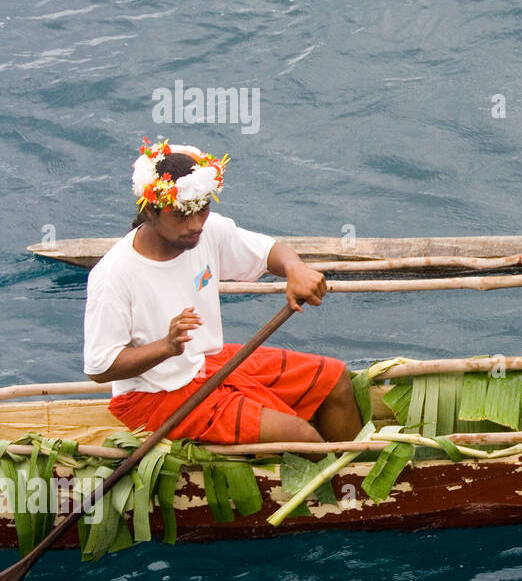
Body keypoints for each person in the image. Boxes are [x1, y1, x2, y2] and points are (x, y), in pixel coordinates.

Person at [83, 137, 362, 444]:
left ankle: (357, 483)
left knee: (336, 380)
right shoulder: (113, 274)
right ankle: (345, 489)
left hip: (207, 363)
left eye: (201, 209)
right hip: (151, 396)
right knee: (301, 436)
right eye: (180, 215)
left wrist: (296, 269)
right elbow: (100, 367)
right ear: (151, 212)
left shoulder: (206, 231)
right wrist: (166, 346)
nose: (194, 224)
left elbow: (270, 251)